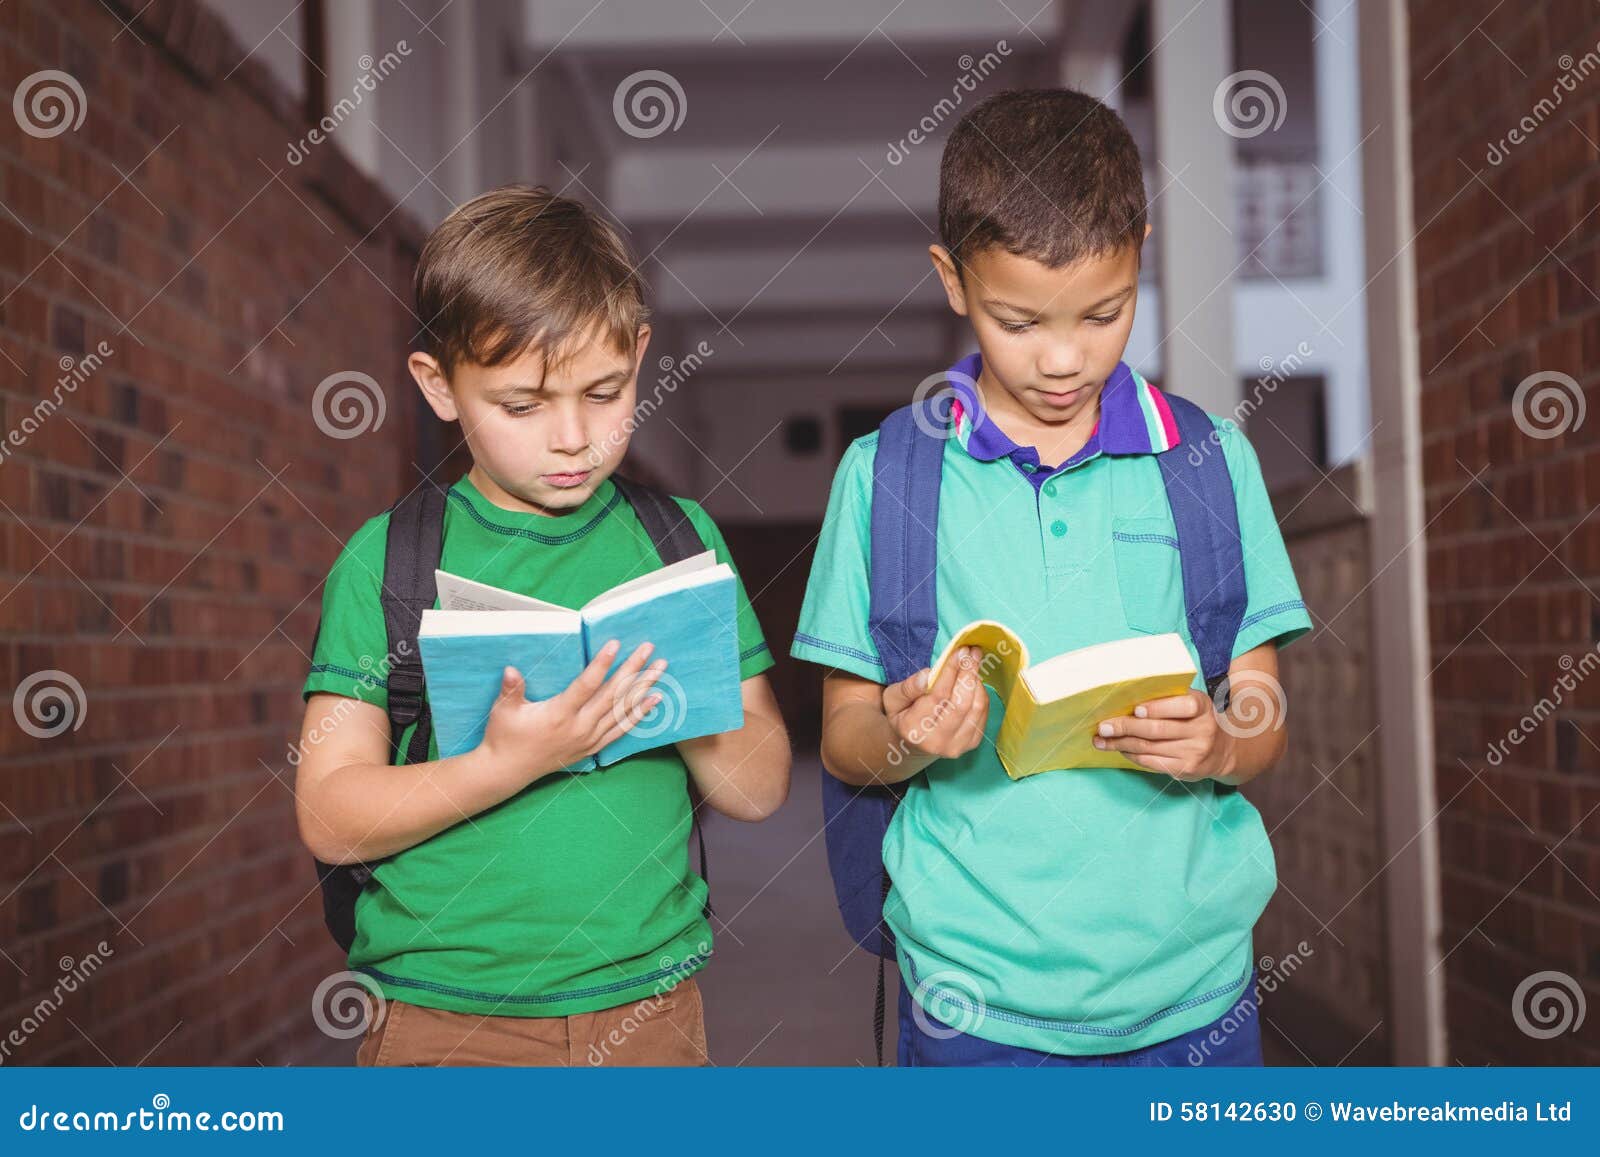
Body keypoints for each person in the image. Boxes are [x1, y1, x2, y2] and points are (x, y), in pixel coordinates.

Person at [792, 89, 1310, 1066]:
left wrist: (1218, 741)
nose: (1064, 359)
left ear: (1140, 258)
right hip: (971, 1000)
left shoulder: (1209, 463)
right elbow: (846, 740)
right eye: (1019, 321)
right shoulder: (886, 476)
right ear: (952, 280)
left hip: (1194, 993)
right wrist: (907, 736)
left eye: (1103, 314)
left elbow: (1262, 709)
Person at [296, 185, 790, 1066]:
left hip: (651, 1007)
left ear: (642, 356)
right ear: (438, 386)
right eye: (522, 405)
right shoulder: (389, 563)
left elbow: (758, 790)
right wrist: (507, 761)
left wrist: (670, 700)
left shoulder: (679, 542)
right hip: (445, 1019)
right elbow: (331, 815)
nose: (574, 438)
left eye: (605, 392)